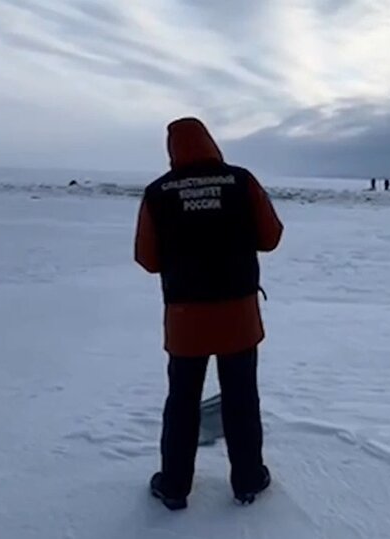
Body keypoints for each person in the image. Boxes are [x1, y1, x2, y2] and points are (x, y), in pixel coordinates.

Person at [134, 117, 284, 510]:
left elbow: (146, 259)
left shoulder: (157, 193)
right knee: (241, 397)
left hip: (187, 320)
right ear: (211, 143)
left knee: (182, 400)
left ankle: (174, 487)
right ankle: (249, 480)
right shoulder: (241, 181)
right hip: (238, 316)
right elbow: (271, 237)